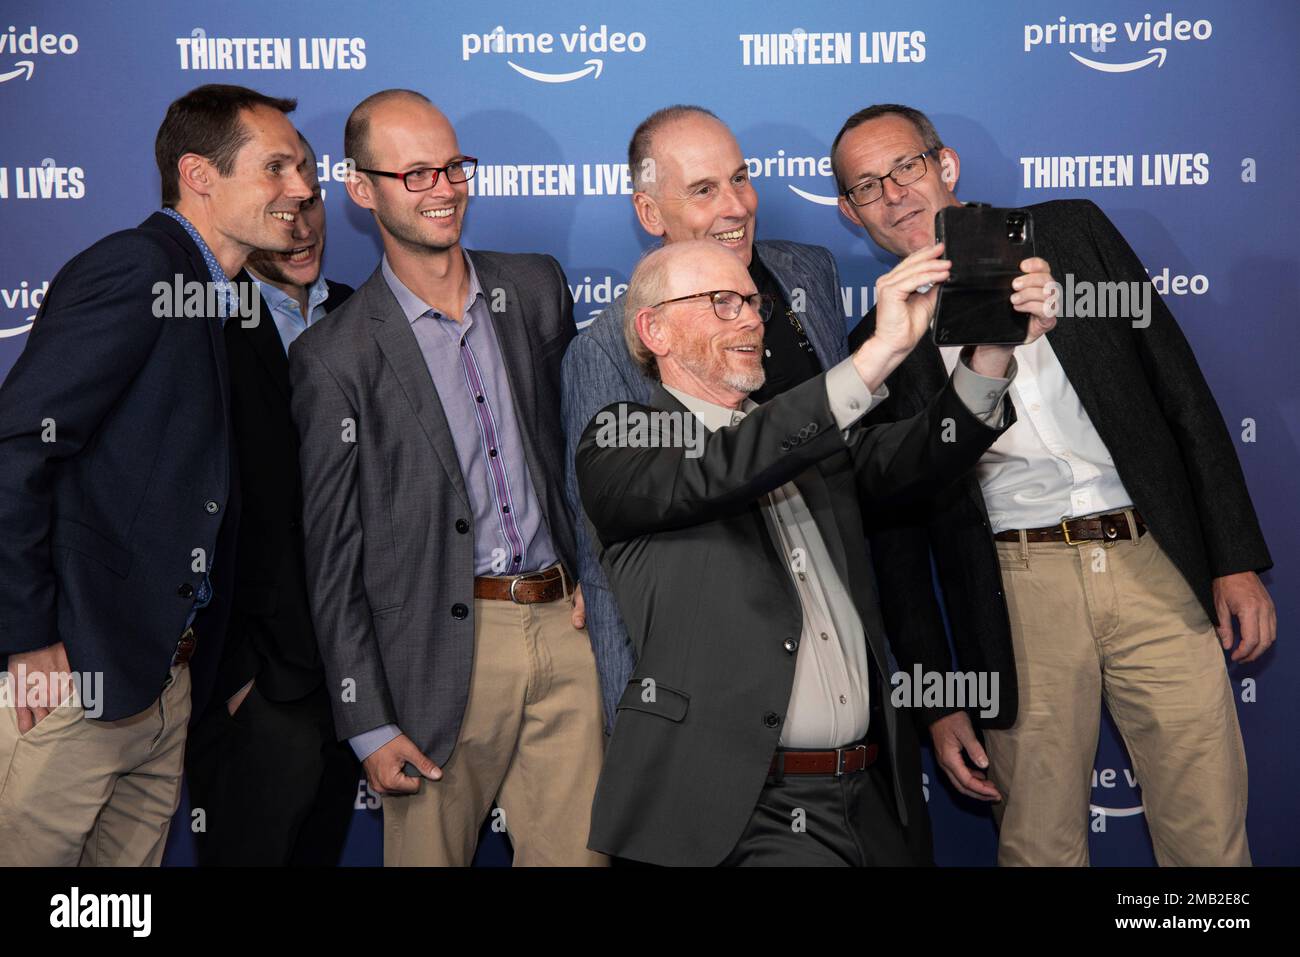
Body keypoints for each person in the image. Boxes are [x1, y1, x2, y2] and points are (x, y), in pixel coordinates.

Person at [833, 103, 1275, 865]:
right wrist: (937, 698)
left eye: (906, 167)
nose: (895, 194)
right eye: (868, 186)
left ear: (947, 165)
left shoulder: (1070, 234)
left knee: (1207, 836)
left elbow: (1182, 394)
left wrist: (1231, 556)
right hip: (1012, 590)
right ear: (849, 211)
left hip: (1151, 558)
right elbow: (897, 544)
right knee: (1039, 846)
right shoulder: (877, 345)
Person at [575, 238, 1056, 866]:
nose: (749, 317)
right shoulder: (621, 440)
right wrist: (879, 354)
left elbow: (925, 451)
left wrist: (992, 346)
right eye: (720, 302)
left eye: (753, 301)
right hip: (746, 810)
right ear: (654, 330)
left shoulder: (805, 439)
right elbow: (725, 467)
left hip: (871, 797)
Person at [289, 89, 604, 866]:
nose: (443, 188)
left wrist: (596, 578)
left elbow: (579, 455)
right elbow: (333, 555)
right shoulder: (334, 357)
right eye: (416, 173)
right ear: (361, 189)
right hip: (434, 652)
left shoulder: (533, 287)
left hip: (565, 626)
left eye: (454, 166)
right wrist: (366, 717)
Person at [0, 83, 311, 865]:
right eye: (275, 168)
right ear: (200, 175)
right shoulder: (138, 267)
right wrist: (31, 639)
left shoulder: (216, 293)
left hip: (163, 684)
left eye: (302, 168)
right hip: (74, 680)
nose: (302, 189)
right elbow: (16, 445)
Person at [562, 105, 850, 732]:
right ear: (649, 213)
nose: (736, 205)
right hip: (726, 684)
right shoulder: (606, 348)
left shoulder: (810, 273)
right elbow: (605, 564)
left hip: (844, 654)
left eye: (740, 178)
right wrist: (634, 727)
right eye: (703, 189)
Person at [185, 133, 360, 866]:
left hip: (360, 678)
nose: (301, 223)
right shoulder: (206, 324)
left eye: (313, 202)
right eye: (282, 207)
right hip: (259, 681)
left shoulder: (364, 313)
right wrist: (235, 674)